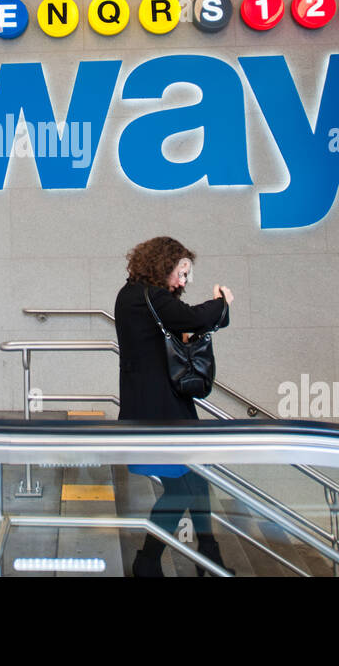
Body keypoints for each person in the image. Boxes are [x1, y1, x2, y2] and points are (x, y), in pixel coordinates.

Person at [115, 236, 233, 576]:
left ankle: (208, 555)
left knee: (195, 480)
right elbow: (194, 317)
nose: (183, 282)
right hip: (158, 412)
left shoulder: (133, 295)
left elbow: (179, 323)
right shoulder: (148, 297)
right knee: (182, 488)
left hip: (159, 406)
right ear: (162, 265)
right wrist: (222, 301)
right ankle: (148, 560)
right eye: (181, 273)